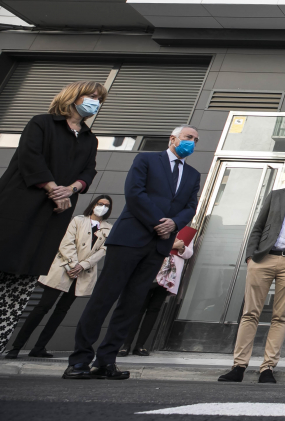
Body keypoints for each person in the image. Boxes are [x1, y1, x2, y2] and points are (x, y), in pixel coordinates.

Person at [64, 125, 201, 381]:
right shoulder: (147, 159)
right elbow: (135, 194)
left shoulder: (193, 174)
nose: (191, 142)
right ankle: (79, 361)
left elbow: (190, 207)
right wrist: (159, 222)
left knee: (131, 305)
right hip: (129, 239)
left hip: (157, 246)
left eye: (195, 140)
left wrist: (174, 224)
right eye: (187, 138)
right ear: (173, 139)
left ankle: (106, 361)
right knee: (103, 299)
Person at [0, 81, 103, 351]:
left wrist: (70, 190)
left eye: (98, 98)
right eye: (91, 96)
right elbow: (29, 157)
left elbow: (88, 171)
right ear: (73, 97)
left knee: (25, 276)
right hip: (19, 207)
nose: (95, 101)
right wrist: (53, 189)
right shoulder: (42, 123)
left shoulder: (90, 139)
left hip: (54, 214)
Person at [218, 158, 285, 384]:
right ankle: (239, 366)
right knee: (250, 313)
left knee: (280, 317)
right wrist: (250, 255)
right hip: (264, 258)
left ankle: (267, 368)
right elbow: (258, 226)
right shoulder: (275, 195)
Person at [5, 195, 112, 358]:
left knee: (61, 310)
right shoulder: (78, 220)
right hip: (64, 269)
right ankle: (16, 347)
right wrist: (73, 264)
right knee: (42, 307)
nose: (102, 207)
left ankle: (39, 347)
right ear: (93, 205)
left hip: (82, 274)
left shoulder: (108, 229)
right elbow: (66, 243)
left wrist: (82, 266)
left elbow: (103, 251)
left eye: (106, 205)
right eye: (100, 203)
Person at [120, 225, 196, 357]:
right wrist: (172, 245)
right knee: (138, 308)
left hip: (168, 276)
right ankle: (126, 345)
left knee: (154, 309)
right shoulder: (158, 225)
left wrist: (181, 247)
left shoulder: (186, 231)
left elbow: (189, 253)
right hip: (151, 271)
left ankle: (140, 346)